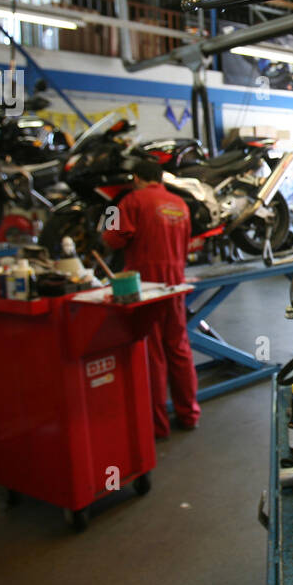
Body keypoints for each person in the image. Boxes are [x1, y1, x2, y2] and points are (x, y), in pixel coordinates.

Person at [102, 159, 200, 438]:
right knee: (179, 349)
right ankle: (189, 414)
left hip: (144, 288)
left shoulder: (132, 201)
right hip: (175, 286)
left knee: (153, 355)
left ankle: (159, 426)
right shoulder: (180, 204)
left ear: (136, 178)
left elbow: (112, 239)